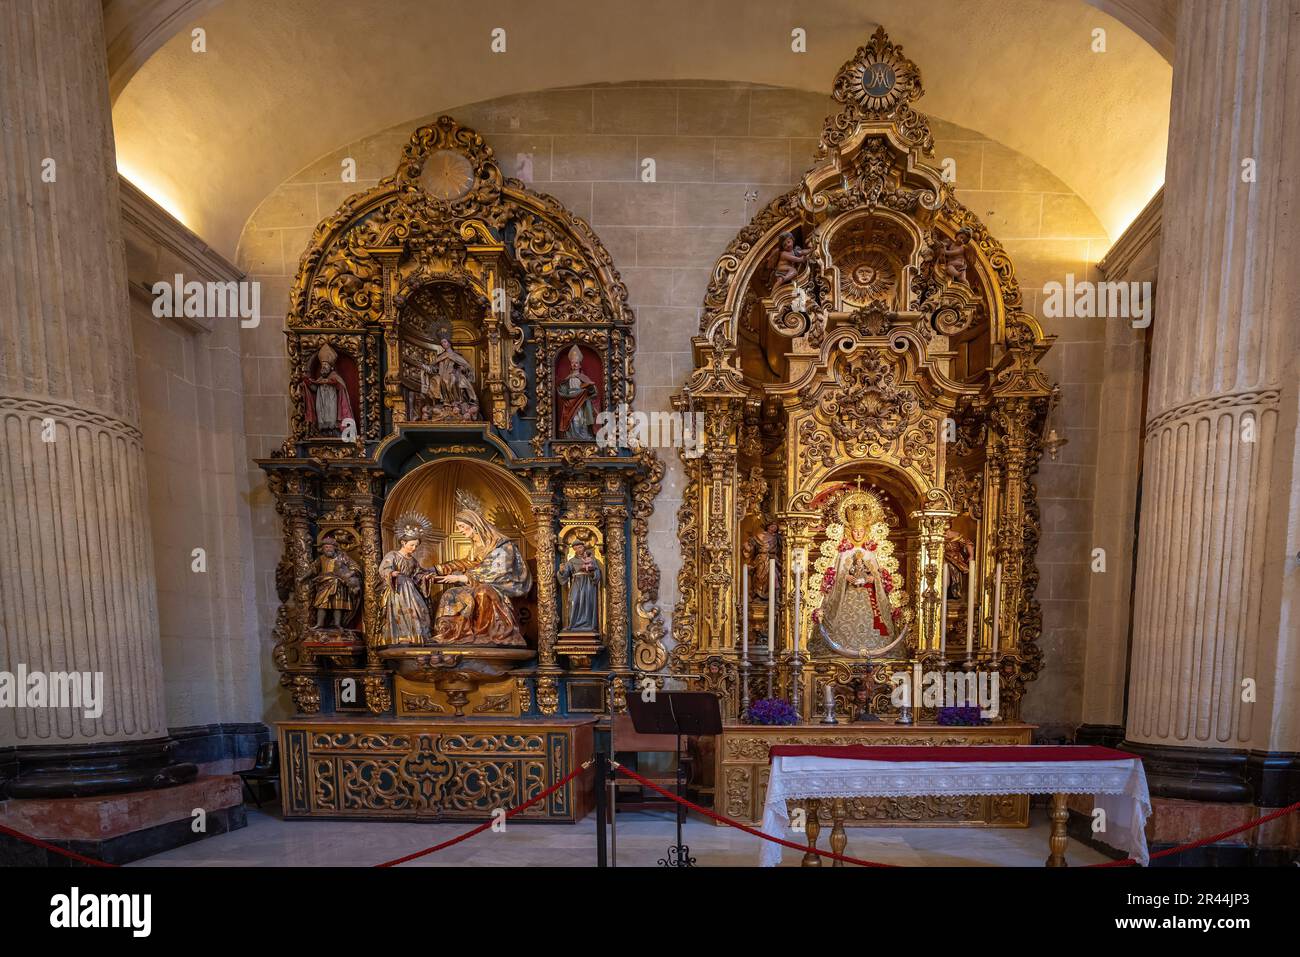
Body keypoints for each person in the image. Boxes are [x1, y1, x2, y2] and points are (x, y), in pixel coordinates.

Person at [428, 491, 533, 645]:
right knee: (451, 594)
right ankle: (452, 634)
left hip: (502, 586)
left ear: (474, 525)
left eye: (462, 526)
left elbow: (497, 570)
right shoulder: (477, 547)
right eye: (458, 527)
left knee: (483, 592)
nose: (460, 530)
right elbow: (467, 563)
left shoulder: (503, 544)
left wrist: (461, 577)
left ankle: (484, 634)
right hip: (478, 583)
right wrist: (437, 569)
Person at [376, 524, 435, 647]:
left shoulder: (413, 560)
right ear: (403, 543)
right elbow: (383, 569)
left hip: (410, 589)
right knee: (401, 612)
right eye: (412, 545)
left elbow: (417, 575)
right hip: (397, 589)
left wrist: (425, 577)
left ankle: (416, 636)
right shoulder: (393, 555)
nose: (414, 548)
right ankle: (403, 637)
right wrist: (391, 573)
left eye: (416, 546)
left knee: (420, 610)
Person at [304, 535, 361, 630]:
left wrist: (349, 574)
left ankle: (337, 624)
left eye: (330, 547)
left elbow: (355, 567)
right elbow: (312, 569)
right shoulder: (321, 559)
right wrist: (302, 578)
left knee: (337, 605)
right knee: (321, 604)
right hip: (324, 583)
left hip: (338, 584)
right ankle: (319, 624)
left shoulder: (342, 557)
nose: (328, 549)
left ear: (334, 548)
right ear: (322, 549)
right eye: (326, 547)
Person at [558, 540, 603, 632]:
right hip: (577, 584)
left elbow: (597, 573)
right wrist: (561, 571)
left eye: (580, 547)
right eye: (576, 548)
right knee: (574, 601)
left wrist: (592, 572)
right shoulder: (571, 561)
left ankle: (588, 625)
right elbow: (564, 575)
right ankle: (573, 624)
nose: (579, 550)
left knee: (588, 603)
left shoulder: (592, 559)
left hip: (588, 584)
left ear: (583, 547)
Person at [556, 344, 599, 440]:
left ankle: (584, 437)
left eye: (576, 363)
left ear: (580, 365)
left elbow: (593, 392)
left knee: (581, 421)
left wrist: (589, 388)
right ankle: (571, 437)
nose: (574, 365)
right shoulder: (567, 379)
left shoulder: (584, 377)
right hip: (570, 402)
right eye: (572, 363)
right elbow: (563, 391)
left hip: (581, 402)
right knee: (572, 421)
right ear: (570, 365)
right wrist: (563, 392)